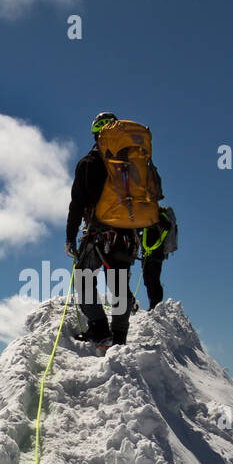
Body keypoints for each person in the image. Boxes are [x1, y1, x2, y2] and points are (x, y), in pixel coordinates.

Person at [64, 111, 162, 353]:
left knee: (83, 279)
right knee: (118, 283)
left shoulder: (89, 163)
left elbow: (77, 203)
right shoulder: (133, 165)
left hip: (99, 232)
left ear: (97, 134)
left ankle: (98, 328)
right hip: (128, 234)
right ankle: (119, 336)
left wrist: (70, 236)